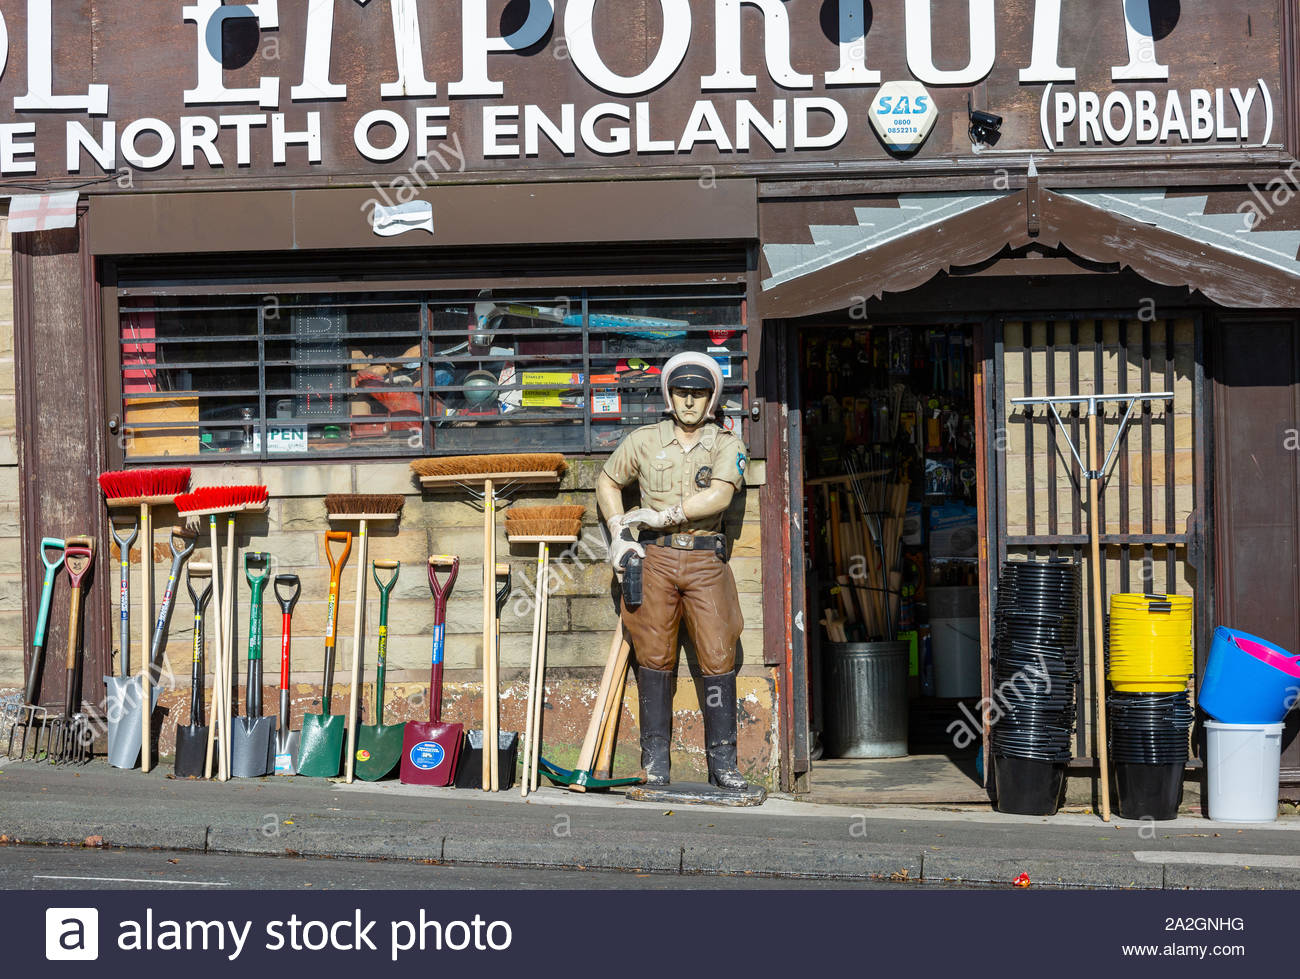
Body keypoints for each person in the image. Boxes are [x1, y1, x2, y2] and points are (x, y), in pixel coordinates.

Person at [595, 351, 752, 792]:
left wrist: (663, 516)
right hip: (655, 559)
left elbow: (719, 497)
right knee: (654, 654)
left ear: (712, 399)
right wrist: (618, 532)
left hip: (704, 557)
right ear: (669, 395)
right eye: (682, 393)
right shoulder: (644, 440)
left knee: (719, 653)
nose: (689, 402)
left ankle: (724, 761)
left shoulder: (726, 443)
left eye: (699, 394)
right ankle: (655, 761)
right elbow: (608, 480)